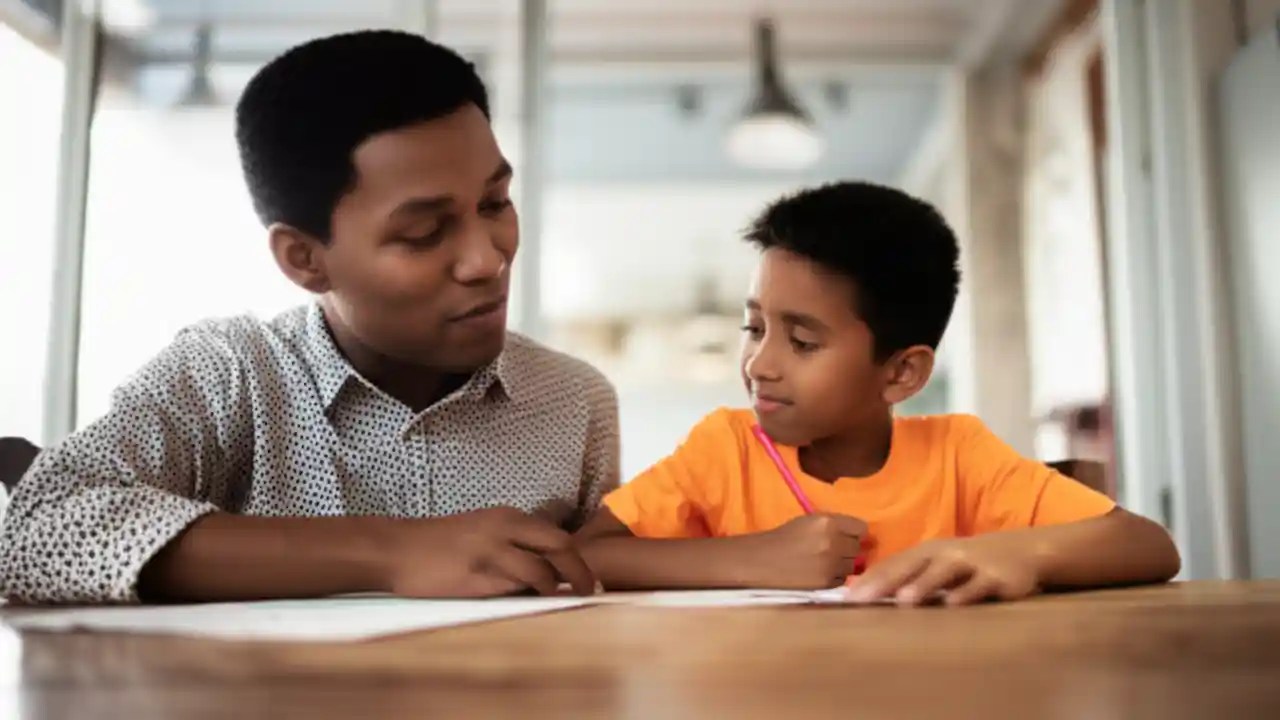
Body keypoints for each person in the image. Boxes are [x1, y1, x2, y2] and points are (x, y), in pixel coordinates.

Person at [0, 31, 618, 604]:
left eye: (495, 202)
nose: (488, 259)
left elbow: (611, 591)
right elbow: (35, 528)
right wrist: (391, 552)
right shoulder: (229, 378)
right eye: (424, 232)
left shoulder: (575, 401)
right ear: (304, 259)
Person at [577, 181, 1180, 606]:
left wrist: (1021, 555)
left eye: (803, 342)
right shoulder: (723, 449)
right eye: (754, 328)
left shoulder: (959, 456)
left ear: (902, 373)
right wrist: (750, 558)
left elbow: (1150, 546)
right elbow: (588, 553)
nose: (760, 364)